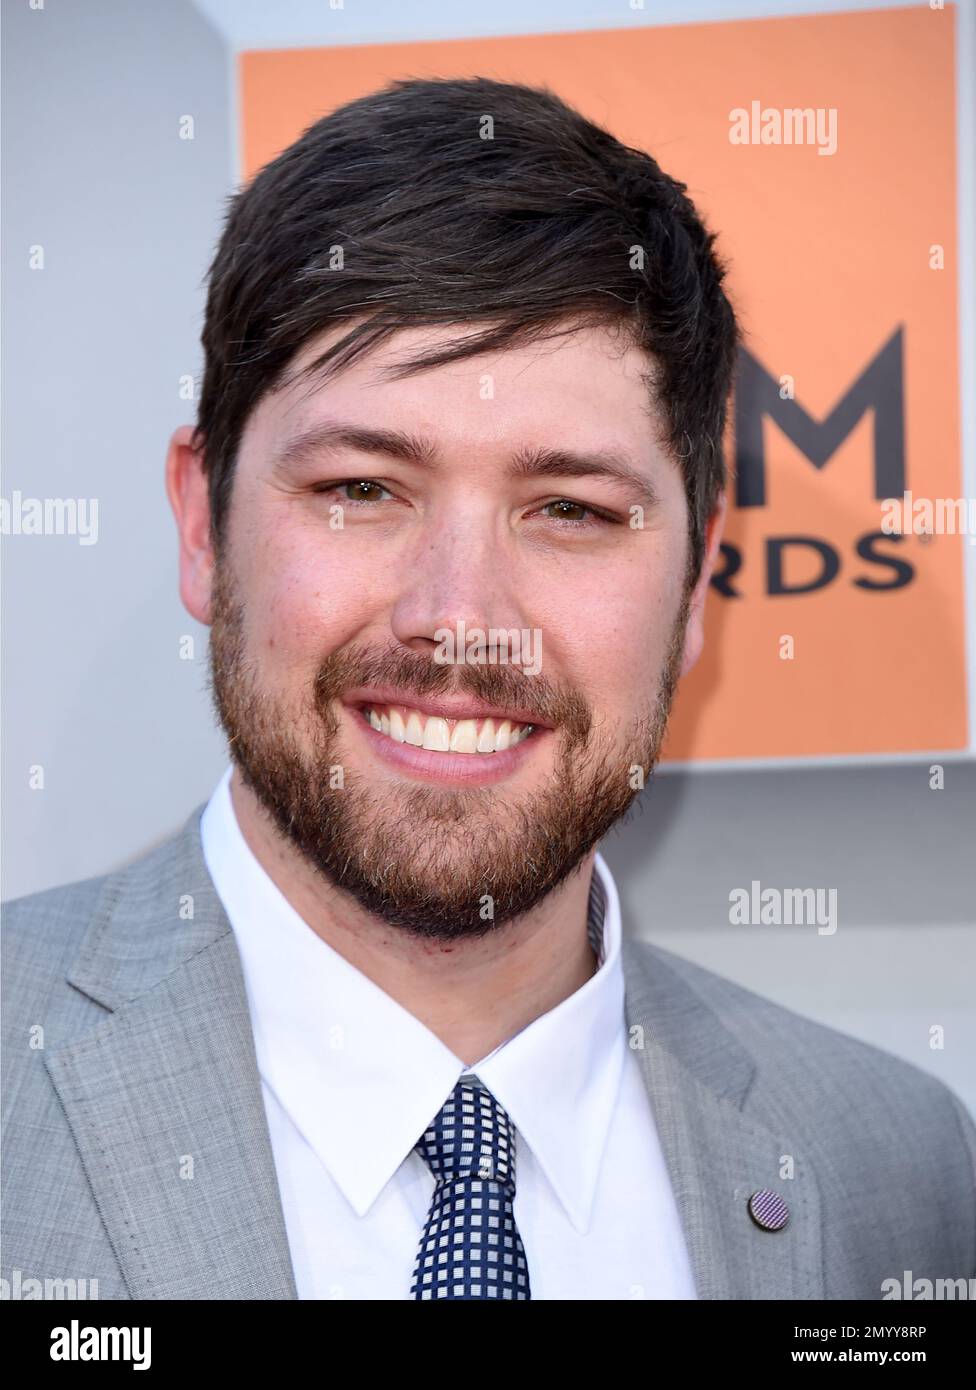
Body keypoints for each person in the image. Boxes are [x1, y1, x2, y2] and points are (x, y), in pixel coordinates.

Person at [3, 76, 973, 1302]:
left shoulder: (898, 1162)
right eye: (362, 487)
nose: (461, 619)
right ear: (204, 526)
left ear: (692, 590)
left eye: (569, 510)